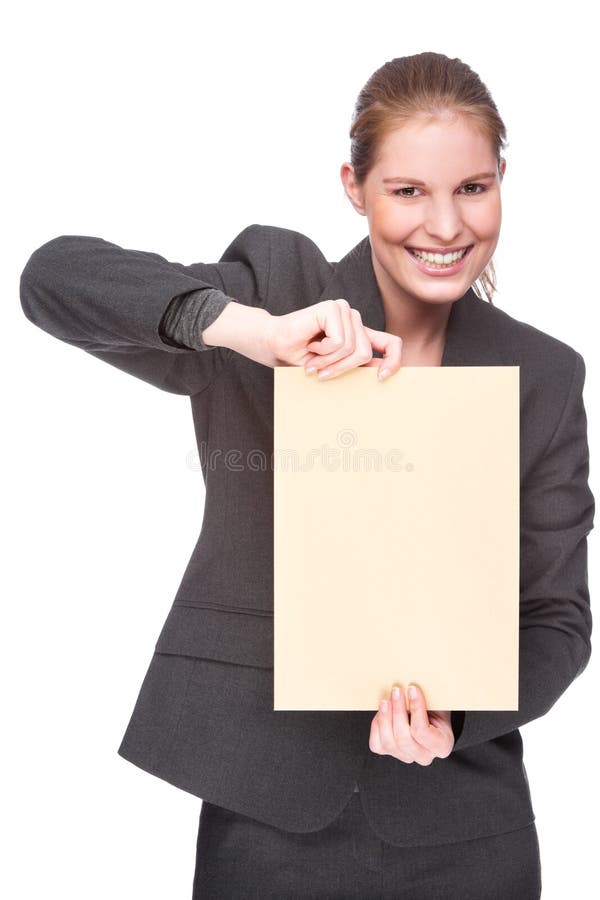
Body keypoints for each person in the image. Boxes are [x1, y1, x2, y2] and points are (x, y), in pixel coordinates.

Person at [19, 51, 593, 899]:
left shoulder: (543, 373)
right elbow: (52, 278)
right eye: (407, 191)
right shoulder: (278, 300)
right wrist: (239, 328)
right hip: (269, 822)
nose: (444, 225)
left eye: (472, 187)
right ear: (353, 188)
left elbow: (556, 619)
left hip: (467, 831)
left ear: (502, 178)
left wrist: (459, 718)